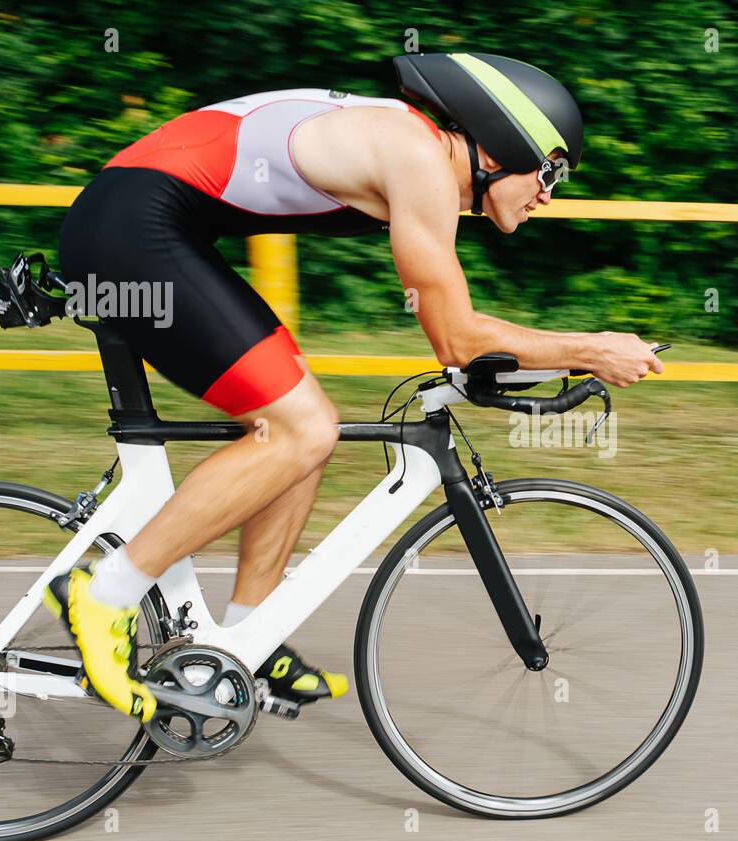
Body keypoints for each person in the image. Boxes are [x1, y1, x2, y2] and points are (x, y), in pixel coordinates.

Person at [46, 52, 665, 722]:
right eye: (549, 170)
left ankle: (247, 636)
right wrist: (591, 351)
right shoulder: (419, 159)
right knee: (300, 428)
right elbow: (457, 339)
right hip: (132, 230)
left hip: (148, 224)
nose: (549, 193)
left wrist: (542, 363)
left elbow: (460, 338)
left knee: (310, 425)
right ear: (501, 141)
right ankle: (105, 592)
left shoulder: (413, 153)